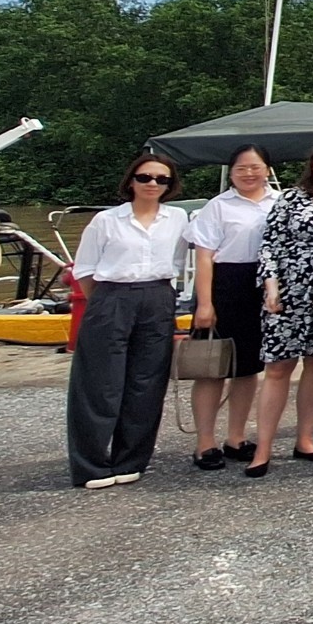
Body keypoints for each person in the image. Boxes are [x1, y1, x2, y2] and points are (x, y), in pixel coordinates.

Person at [66, 153, 187, 488]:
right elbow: (86, 270)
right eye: (145, 177)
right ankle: (90, 465)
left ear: (170, 185)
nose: (153, 184)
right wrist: (108, 303)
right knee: (100, 383)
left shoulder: (177, 219)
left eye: (161, 179)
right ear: (131, 180)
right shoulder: (107, 220)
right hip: (112, 295)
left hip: (158, 297)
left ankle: (130, 460)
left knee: (146, 382)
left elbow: (184, 259)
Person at [246, 137, 313, 475]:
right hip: (287, 294)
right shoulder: (289, 198)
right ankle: (262, 449)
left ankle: (304, 438)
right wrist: (270, 286)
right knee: (277, 369)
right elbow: (270, 244)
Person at [180, 143, 274, 469]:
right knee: (212, 367)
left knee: (248, 368)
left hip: (262, 288)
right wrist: (205, 303)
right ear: (231, 173)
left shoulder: (280, 203)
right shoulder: (217, 206)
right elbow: (203, 256)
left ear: (267, 169)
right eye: (241, 169)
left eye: (255, 167)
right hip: (223, 285)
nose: (249, 173)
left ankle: (237, 437)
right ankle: (204, 442)